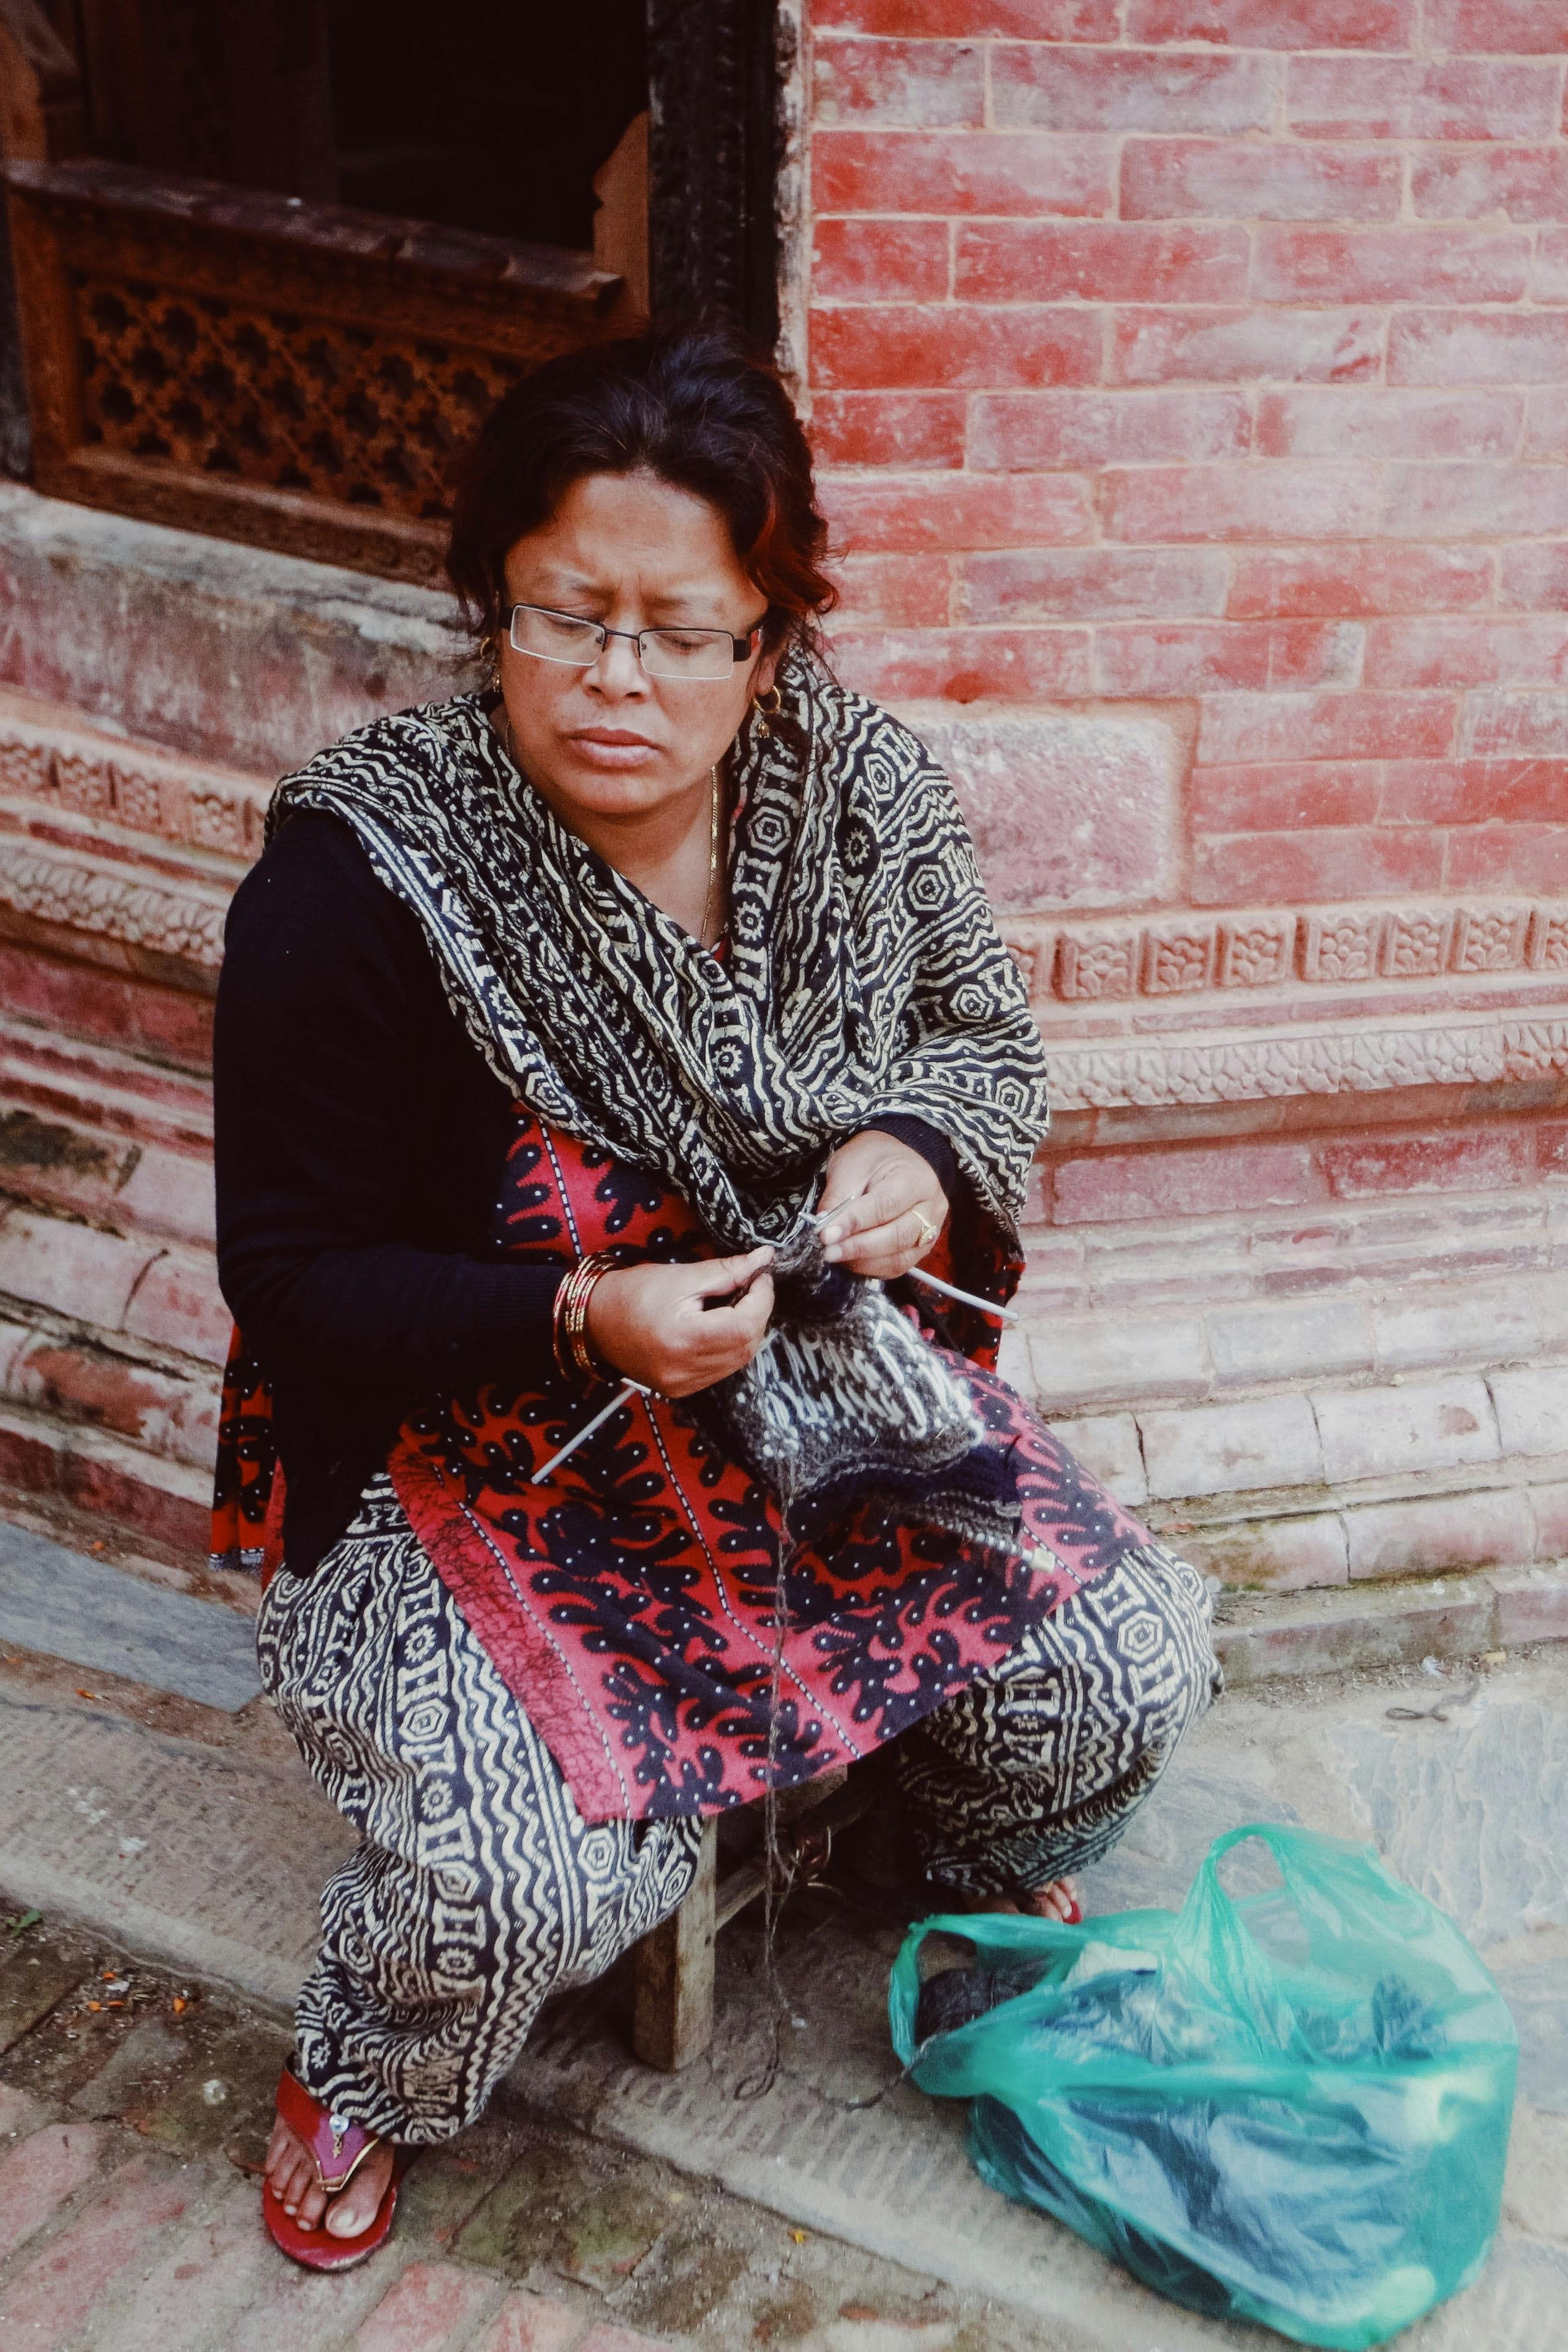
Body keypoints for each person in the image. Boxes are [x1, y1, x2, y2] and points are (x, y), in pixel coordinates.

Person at [209, 325, 1219, 2270]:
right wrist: (586, 1316)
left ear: (770, 640)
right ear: (485, 600)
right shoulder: (360, 877)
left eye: (684, 631)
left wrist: (918, 1150)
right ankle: (372, 2064)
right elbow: (296, 1275)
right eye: (564, 614)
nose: (615, 678)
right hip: (477, 1454)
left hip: (808, 1401)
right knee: (518, 1883)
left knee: (1125, 1667)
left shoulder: (858, 798)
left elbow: (979, 1041)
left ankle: (956, 1858)